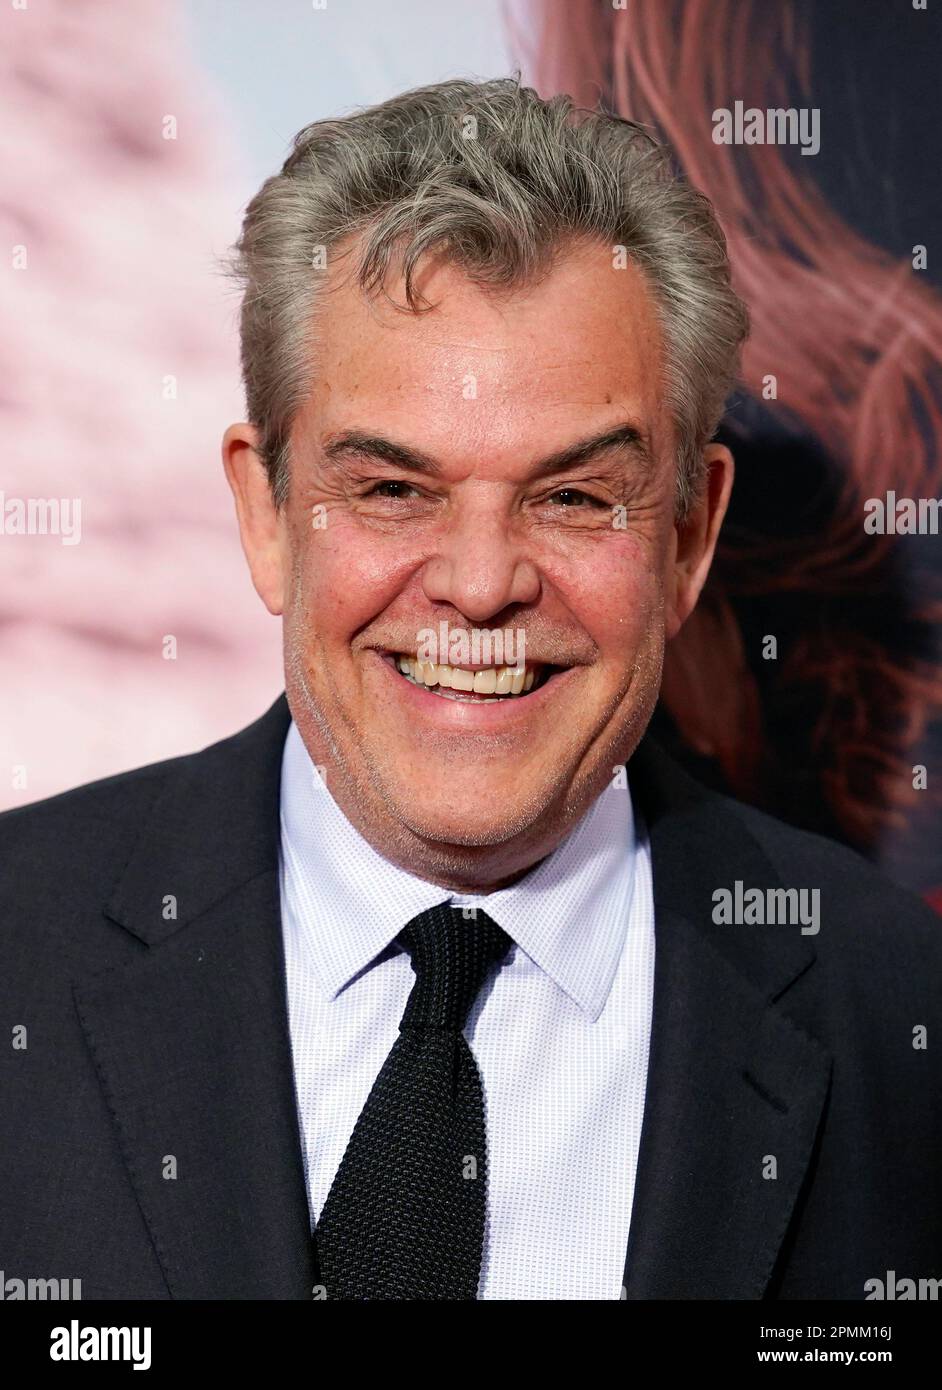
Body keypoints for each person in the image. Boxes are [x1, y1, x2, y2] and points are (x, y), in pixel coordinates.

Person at [1, 77, 939, 1301]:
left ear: (690, 535)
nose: (483, 585)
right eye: (394, 490)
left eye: (572, 496)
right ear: (267, 514)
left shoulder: (898, 1017)